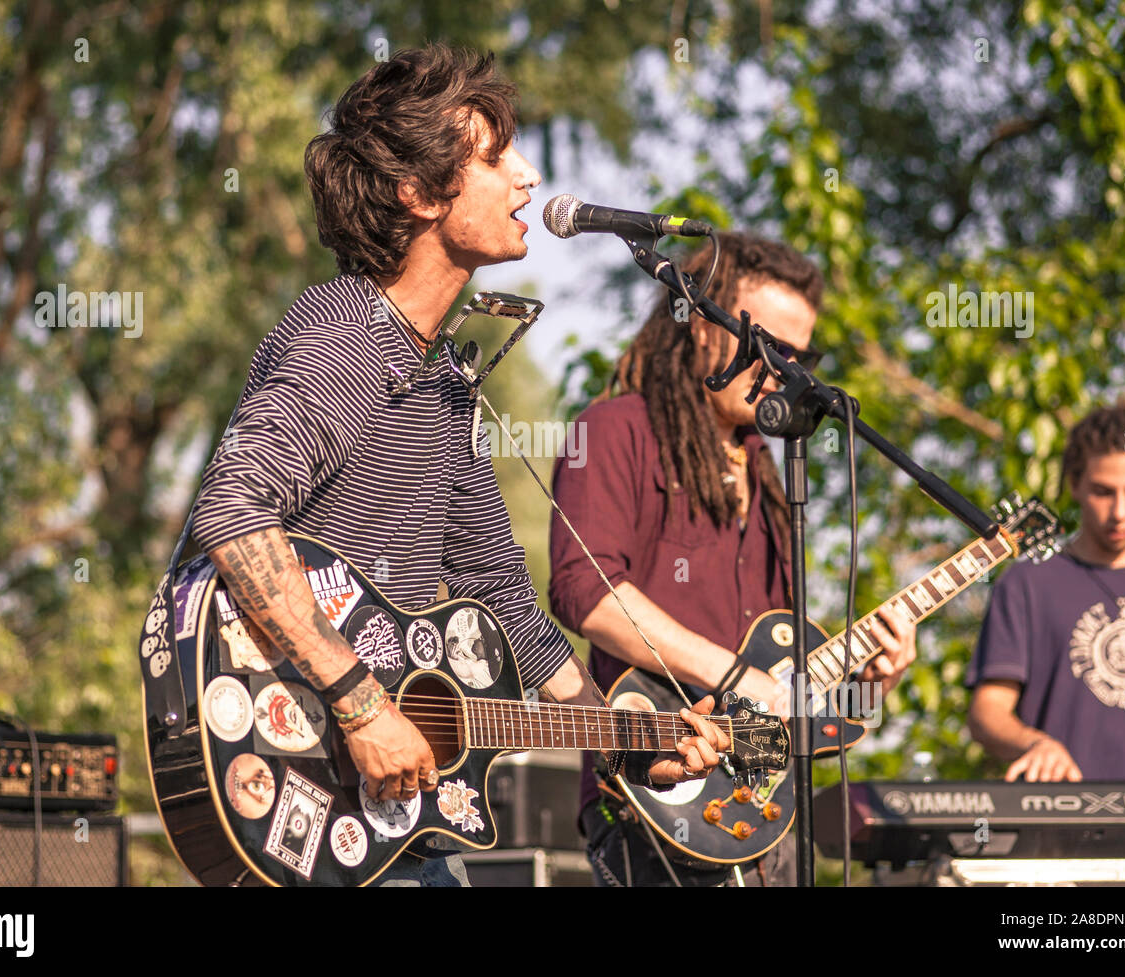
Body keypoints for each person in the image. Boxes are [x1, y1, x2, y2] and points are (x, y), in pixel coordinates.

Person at [186, 45, 730, 886]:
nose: (527, 177)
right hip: (304, 775)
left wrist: (627, 743)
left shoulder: (444, 381)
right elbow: (230, 511)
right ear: (418, 191)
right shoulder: (347, 340)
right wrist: (362, 702)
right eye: (494, 156)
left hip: (392, 822)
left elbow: (504, 598)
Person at [548, 233, 917, 886]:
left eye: (799, 355)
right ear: (700, 326)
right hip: (655, 787)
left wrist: (871, 683)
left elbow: (782, 685)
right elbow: (589, 592)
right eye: (767, 345)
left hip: (762, 808)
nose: (783, 369)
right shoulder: (611, 429)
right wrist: (735, 673)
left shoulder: (768, 465)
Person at [967, 402, 1125, 781]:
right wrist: (1033, 743)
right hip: (1060, 819)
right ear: (1075, 485)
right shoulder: (1027, 583)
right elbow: (988, 711)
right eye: (1103, 491)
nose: (1118, 511)